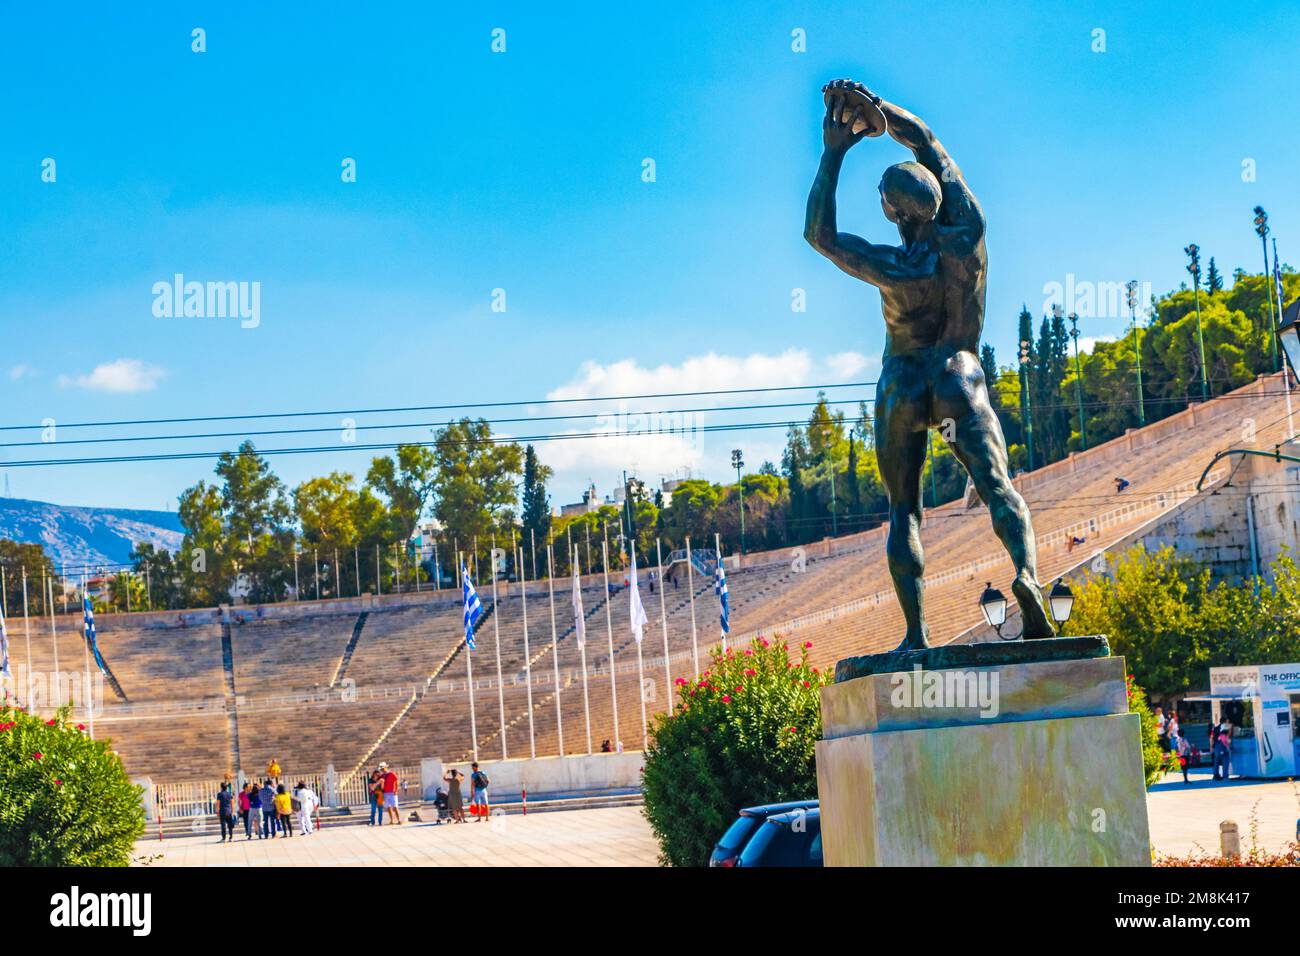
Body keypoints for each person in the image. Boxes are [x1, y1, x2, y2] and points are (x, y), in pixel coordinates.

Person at [805, 79, 1055, 648]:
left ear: (893, 212)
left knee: (906, 510)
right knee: (996, 486)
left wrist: (835, 150)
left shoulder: (895, 266)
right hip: (956, 375)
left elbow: (817, 235)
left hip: (902, 383)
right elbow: (928, 141)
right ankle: (1027, 575)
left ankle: (916, 635)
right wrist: (881, 111)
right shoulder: (969, 231)